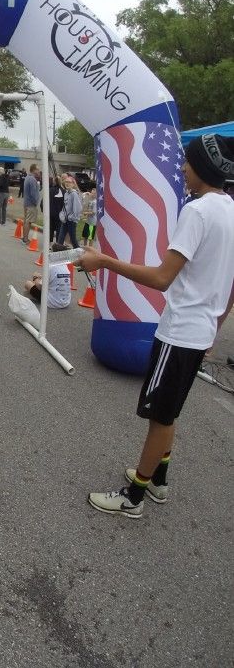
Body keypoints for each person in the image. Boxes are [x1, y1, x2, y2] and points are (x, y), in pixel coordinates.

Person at [82, 134, 234, 518]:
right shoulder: (231, 210)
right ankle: (159, 480)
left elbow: (163, 278)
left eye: (188, 162)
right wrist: (216, 326)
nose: (182, 168)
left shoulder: (197, 212)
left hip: (180, 330)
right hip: (199, 331)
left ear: (204, 168)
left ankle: (133, 497)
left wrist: (105, 262)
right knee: (169, 411)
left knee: (160, 417)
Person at [24, 243, 73, 309]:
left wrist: (35, 277)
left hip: (52, 302)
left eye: (50, 250)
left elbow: (40, 286)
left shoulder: (51, 266)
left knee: (28, 283)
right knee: (41, 281)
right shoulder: (65, 266)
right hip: (66, 302)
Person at [56, 175, 82, 248]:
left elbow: (77, 208)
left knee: (73, 239)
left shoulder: (74, 194)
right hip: (65, 220)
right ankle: (58, 251)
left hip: (71, 220)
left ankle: (79, 252)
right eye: (66, 182)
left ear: (73, 184)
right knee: (61, 237)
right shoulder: (66, 193)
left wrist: (72, 217)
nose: (67, 183)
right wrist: (62, 215)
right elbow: (65, 207)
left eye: (69, 182)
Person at [21, 164, 40, 244]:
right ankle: (25, 239)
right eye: (38, 169)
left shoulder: (27, 178)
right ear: (34, 170)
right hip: (31, 204)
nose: (39, 171)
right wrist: (36, 202)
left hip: (26, 202)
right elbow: (33, 193)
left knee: (26, 221)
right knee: (28, 222)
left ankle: (24, 237)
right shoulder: (32, 179)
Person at [47, 176, 64, 244]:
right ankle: (58, 243)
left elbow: (44, 201)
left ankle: (50, 243)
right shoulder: (63, 191)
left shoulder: (50, 190)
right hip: (59, 213)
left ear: (54, 181)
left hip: (50, 212)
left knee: (50, 228)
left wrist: (43, 209)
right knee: (58, 229)